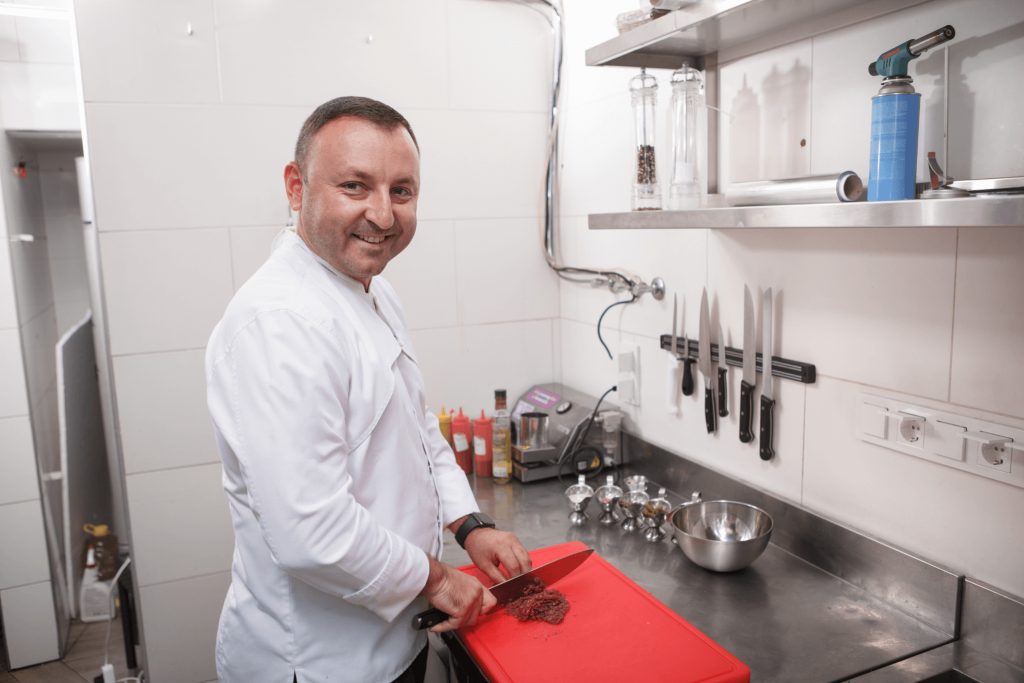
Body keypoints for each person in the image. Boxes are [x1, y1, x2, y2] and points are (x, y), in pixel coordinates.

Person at [205, 96, 532, 683]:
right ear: (296, 186)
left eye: (401, 191)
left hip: (391, 640)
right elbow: (311, 531)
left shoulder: (368, 289)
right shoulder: (280, 323)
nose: (383, 215)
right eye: (355, 186)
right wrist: (437, 579)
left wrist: (469, 525)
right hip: (318, 665)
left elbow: (416, 432)